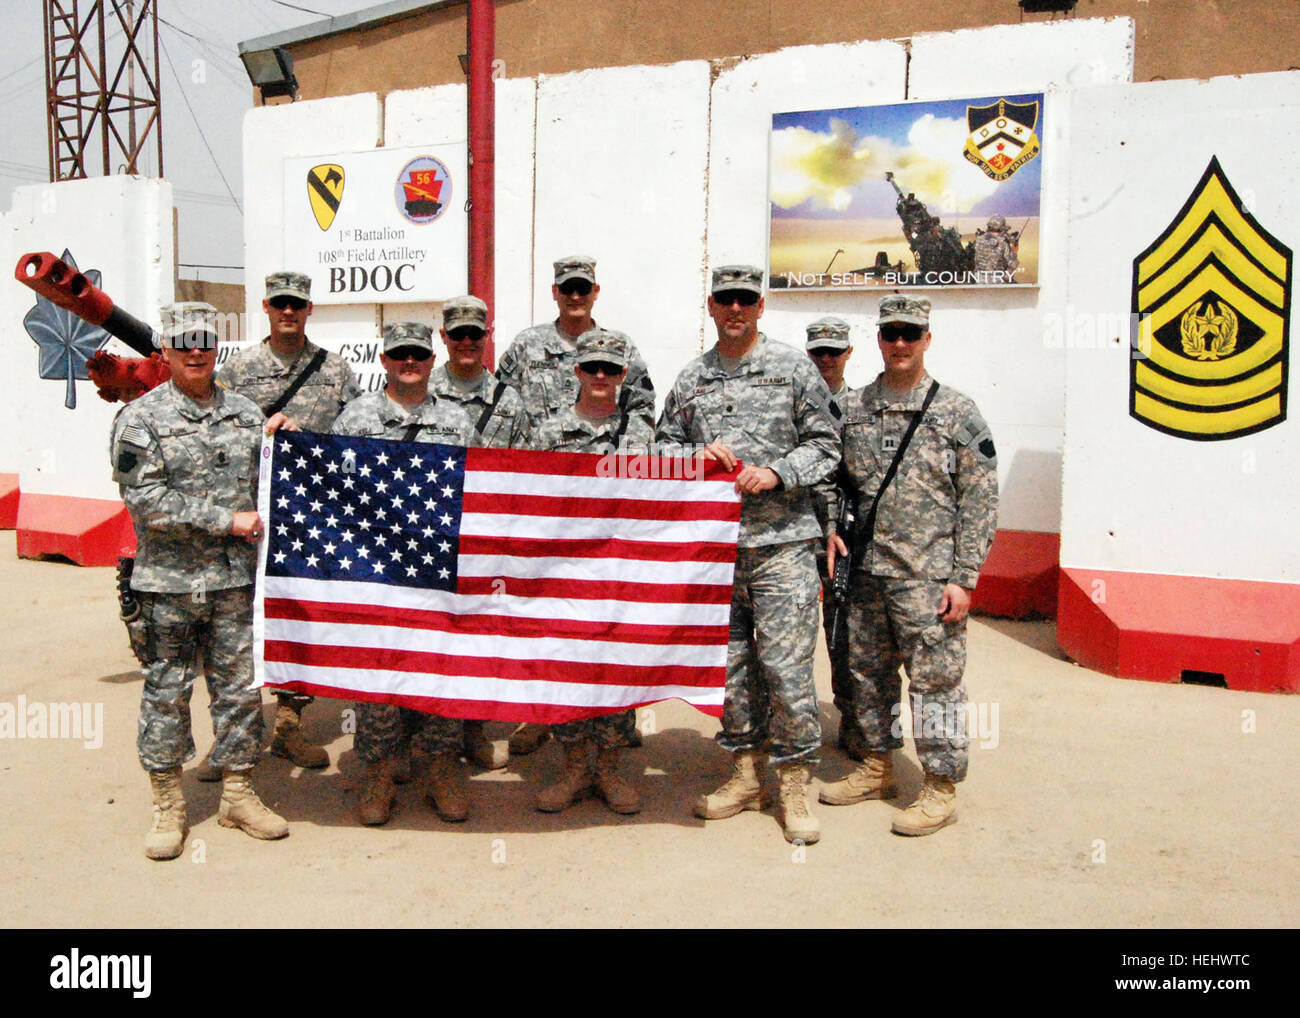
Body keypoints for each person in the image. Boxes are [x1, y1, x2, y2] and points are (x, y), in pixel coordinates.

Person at [656, 265, 841, 844]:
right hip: (715, 553)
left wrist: (779, 472)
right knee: (732, 671)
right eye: (725, 299)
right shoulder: (692, 378)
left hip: (782, 546)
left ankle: (792, 783)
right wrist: (692, 451)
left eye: (746, 299)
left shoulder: (793, 368)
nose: (735, 308)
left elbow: (827, 445)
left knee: (786, 671)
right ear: (711, 306)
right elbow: (660, 449)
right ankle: (742, 772)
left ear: (760, 306)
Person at [110, 302, 292, 860]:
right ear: (164, 350)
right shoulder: (139, 419)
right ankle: (169, 804)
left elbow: (265, 476)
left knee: (240, 692)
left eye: (205, 342)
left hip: (233, 585)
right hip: (168, 585)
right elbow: (145, 499)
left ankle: (237, 793)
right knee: (168, 694)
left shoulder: (243, 413)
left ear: (217, 348)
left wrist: (287, 443)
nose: (195, 351)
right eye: (183, 342)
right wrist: (225, 520)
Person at [819, 295, 998, 836]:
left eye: (910, 333)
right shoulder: (852, 407)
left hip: (927, 577)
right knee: (866, 674)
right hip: (867, 571)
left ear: (927, 338)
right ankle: (876, 765)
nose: (900, 342)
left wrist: (964, 577)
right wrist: (829, 526)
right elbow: (829, 475)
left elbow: (980, 497)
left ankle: (940, 786)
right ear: (878, 338)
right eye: (891, 332)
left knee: (935, 682)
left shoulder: (956, 411)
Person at [496, 255, 655, 756]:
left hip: (612, 517)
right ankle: (551, 721)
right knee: (558, 639)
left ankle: (608, 736)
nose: (575, 295)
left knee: (612, 638)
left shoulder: (621, 347)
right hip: (554, 511)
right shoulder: (526, 345)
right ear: (555, 291)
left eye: (583, 287)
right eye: (567, 288)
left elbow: (646, 408)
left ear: (595, 290)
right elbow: (501, 402)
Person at [331, 322, 484, 826]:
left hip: (438, 568)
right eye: (400, 354)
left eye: (418, 353)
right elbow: (329, 487)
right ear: (384, 359)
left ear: (431, 354)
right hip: (376, 570)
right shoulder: (356, 418)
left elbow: (482, 488)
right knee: (378, 670)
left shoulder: (457, 421)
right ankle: (377, 771)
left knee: (439, 666)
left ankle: (441, 766)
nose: (410, 362)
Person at [212, 271, 361, 772]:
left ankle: (289, 727)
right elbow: (218, 436)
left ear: (309, 308)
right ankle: (231, 737)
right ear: (266, 306)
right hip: (251, 516)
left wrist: (313, 442)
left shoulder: (336, 370)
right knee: (240, 622)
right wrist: (263, 433)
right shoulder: (237, 370)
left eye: (297, 304)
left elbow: (355, 438)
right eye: (280, 303)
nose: (288, 312)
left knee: (298, 615)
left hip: (310, 520)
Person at [524, 328, 653, 815]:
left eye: (611, 369)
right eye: (592, 367)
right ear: (576, 370)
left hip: (621, 571)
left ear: (623, 375)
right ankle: (576, 765)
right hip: (565, 571)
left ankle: (610, 767)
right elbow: (526, 498)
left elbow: (665, 495)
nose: (601, 377)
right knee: (570, 669)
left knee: (616, 669)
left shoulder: (642, 434)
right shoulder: (548, 432)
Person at [431, 294, 529, 770]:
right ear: (444, 338)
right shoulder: (421, 390)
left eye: (476, 334)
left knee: (479, 637)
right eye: (458, 335)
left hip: (489, 539)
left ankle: (472, 730)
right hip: (432, 539)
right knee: (432, 640)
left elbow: (529, 469)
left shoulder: (509, 401)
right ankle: (423, 742)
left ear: (487, 339)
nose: (467, 343)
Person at [803, 316, 864, 761]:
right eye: (818, 352)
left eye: (834, 352)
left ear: (848, 354)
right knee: (789, 634)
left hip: (846, 537)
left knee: (844, 632)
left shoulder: (861, 408)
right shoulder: (795, 402)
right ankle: (787, 719)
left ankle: (853, 718)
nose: (826, 359)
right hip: (801, 532)